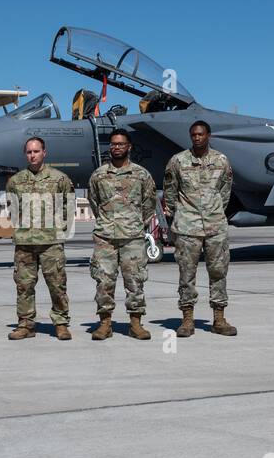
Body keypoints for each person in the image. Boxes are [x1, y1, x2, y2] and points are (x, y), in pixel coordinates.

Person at [163, 119, 236, 337]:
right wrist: (184, 215)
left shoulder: (221, 161)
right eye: (193, 135)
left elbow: (225, 191)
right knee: (186, 274)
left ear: (208, 136)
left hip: (215, 227)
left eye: (201, 134)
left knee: (219, 272)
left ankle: (219, 319)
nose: (197, 138)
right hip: (187, 227)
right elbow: (170, 192)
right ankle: (187, 320)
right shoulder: (178, 161)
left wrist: (214, 212)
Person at [87, 129, 156, 340]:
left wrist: (133, 223)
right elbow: (94, 202)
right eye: (113, 144)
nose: (116, 147)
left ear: (129, 147)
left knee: (135, 280)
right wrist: (109, 223)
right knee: (103, 281)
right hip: (105, 237)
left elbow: (149, 204)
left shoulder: (141, 174)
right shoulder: (99, 175)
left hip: (132, 237)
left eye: (121, 144)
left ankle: (135, 324)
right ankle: (105, 324)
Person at [5, 136, 75, 340]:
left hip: (51, 243)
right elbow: (13, 208)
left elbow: (68, 208)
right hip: (25, 243)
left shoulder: (59, 179)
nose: (32, 155)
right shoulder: (16, 181)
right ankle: (26, 324)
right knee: (24, 285)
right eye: (29, 152)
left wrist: (57, 230)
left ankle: (61, 323)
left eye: (36, 151)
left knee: (57, 284)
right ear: (25, 154)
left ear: (44, 152)